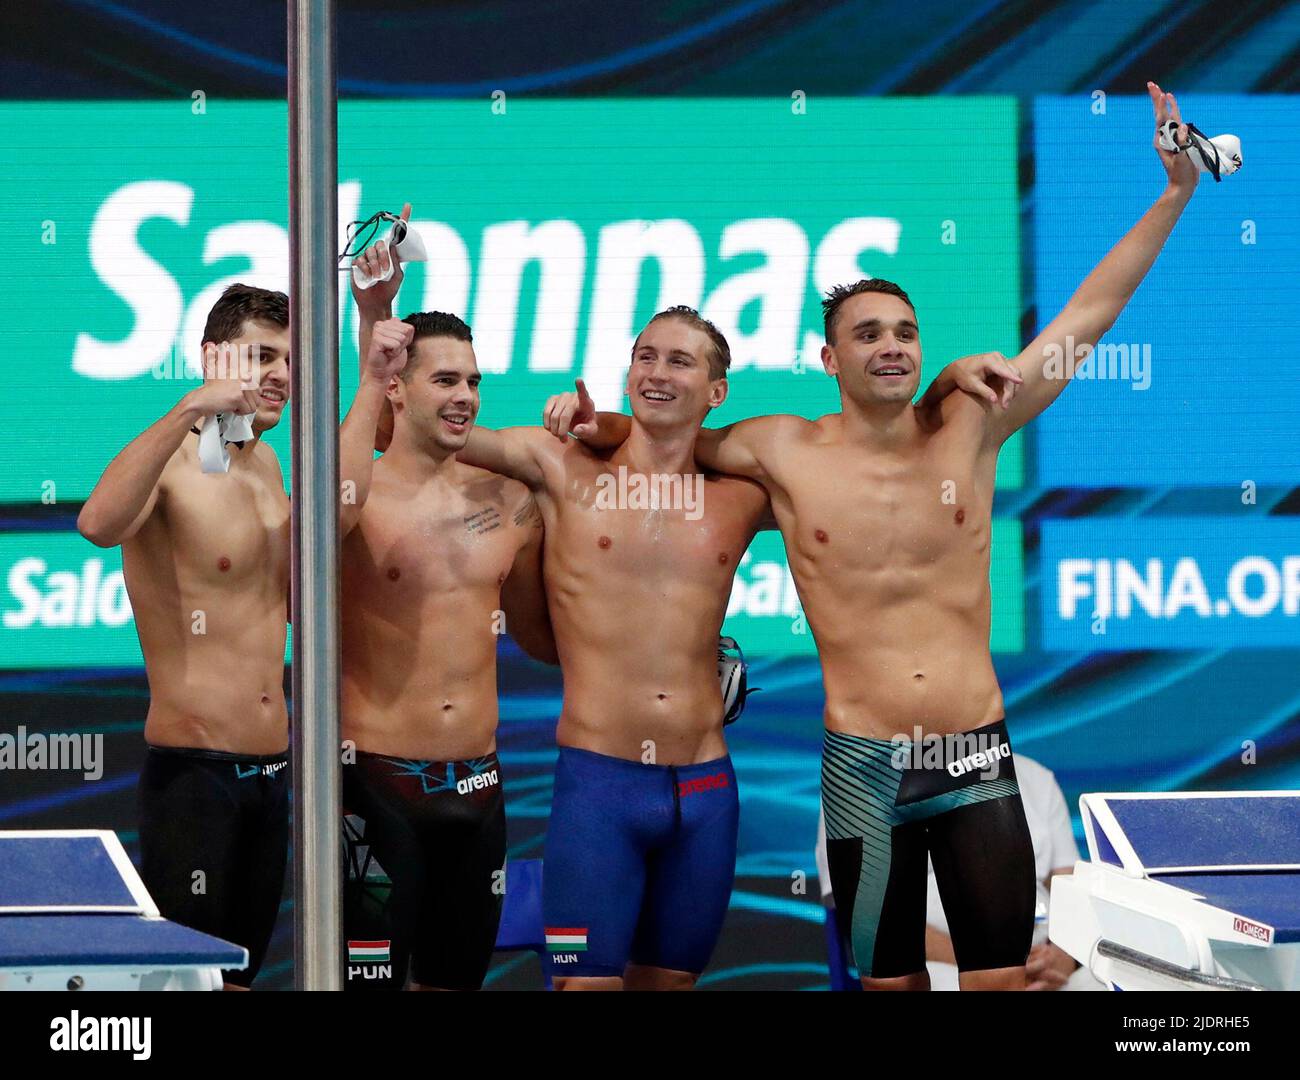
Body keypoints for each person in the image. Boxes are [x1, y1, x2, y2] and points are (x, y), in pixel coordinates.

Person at [574, 82, 1201, 989]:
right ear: (830, 359)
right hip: (862, 766)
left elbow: (1085, 321)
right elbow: (660, 437)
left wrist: (1174, 193)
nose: (893, 346)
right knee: (886, 985)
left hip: (974, 755)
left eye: (908, 333)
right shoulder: (778, 447)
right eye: (867, 334)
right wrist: (589, 425)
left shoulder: (973, 425)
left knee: (995, 983)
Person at [340, 233, 554, 990]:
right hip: (375, 782)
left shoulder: (509, 502)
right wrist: (372, 335)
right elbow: (313, 537)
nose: (465, 395)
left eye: (474, 380)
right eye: (445, 380)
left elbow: (539, 635)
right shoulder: (357, 497)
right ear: (398, 386)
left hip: (478, 788)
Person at [78, 283, 292, 990]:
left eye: (289, 361)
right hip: (197, 777)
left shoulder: (266, 464)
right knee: (190, 985)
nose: (280, 376)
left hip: (271, 777)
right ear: (212, 358)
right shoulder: (170, 460)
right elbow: (98, 525)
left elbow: (290, 607)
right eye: (261, 356)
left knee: (237, 982)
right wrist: (189, 409)